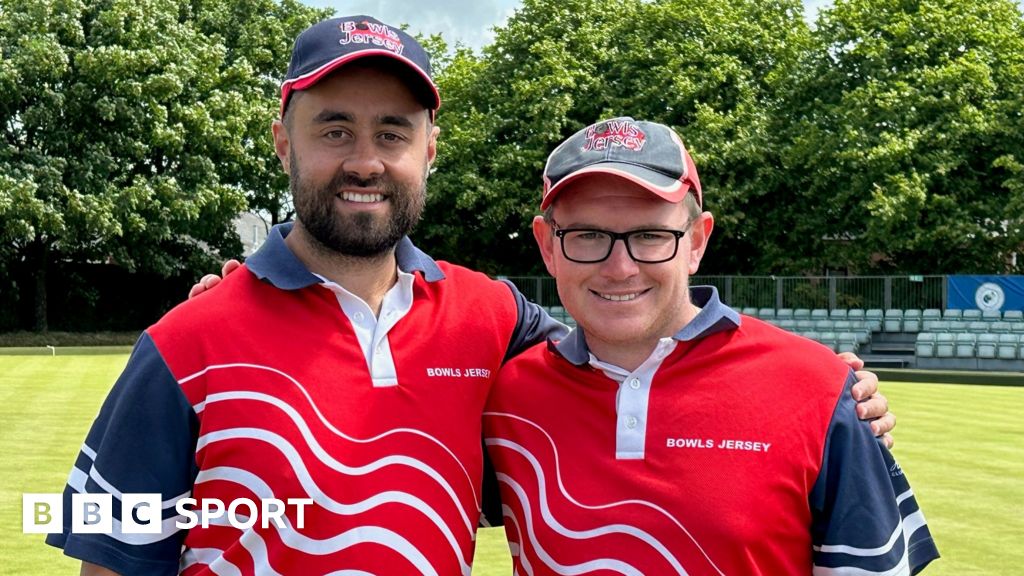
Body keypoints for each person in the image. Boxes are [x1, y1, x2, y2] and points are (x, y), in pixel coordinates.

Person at [47, 16, 891, 576]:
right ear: (284, 145)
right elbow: (114, 555)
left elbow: (632, 334)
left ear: (429, 151)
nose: (365, 160)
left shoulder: (493, 319)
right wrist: (218, 308)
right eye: (334, 128)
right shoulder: (186, 341)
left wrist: (821, 392)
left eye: (393, 133)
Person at [483, 117, 939, 574]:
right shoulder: (507, 398)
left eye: (650, 235)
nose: (619, 267)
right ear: (547, 246)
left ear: (696, 241)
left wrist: (832, 399)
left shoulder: (820, 388)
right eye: (587, 236)